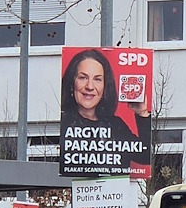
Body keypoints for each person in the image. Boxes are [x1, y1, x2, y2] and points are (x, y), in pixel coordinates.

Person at [60, 48, 151, 176]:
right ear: (71, 83)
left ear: (105, 86)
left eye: (97, 79)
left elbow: (146, 156)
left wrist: (142, 113)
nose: (90, 86)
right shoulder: (63, 125)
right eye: (83, 78)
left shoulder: (115, 125)